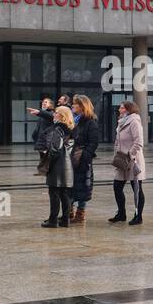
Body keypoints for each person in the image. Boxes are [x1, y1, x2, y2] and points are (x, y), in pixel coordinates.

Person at [110, 100, 146, 225]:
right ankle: (121, 213)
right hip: (121, 159)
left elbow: (139, 142)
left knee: (136, 188)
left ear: (128, 109)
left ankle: (138, 216)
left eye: (121, 108)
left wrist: (130, 154)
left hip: (133, 160)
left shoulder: (134, 121)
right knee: (117, 187)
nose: (119, 110)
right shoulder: (122, 122)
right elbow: (118, 140)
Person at [41, 105, 75, 228]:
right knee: (64, 194)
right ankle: (65, 220)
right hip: (67, 166)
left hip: (57, 165)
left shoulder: (58, 129)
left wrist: (46, 155)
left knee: (54, 193)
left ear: (61, 116)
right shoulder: (70, 129)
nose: (54, 114)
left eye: (56, 113)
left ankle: (53, 220)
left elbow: (55, 149)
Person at [69, 95, 101, 224]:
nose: (72, 106)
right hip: (70, 158)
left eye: (75, 104)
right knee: (69, 185)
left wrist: (85, 155)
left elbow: (93, 143)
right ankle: (69, 211)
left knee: (83, 187)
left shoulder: (90, 122)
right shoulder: (72, 120)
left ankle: (80, 214)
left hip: (82, 160)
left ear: (82, 107)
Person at [28, 96, 55, 175]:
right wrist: (34, 134)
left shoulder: (50, 112)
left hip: (46, 139)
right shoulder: (42, 114)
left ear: (50, 105)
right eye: (43, 102)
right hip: (41, 138)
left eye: (46, 102)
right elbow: (39, 126)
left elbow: (49, 116)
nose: (43, 103)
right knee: (42, 156)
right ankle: (42, 171)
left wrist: (39, 112)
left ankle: (45, 171)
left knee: (46, 156)